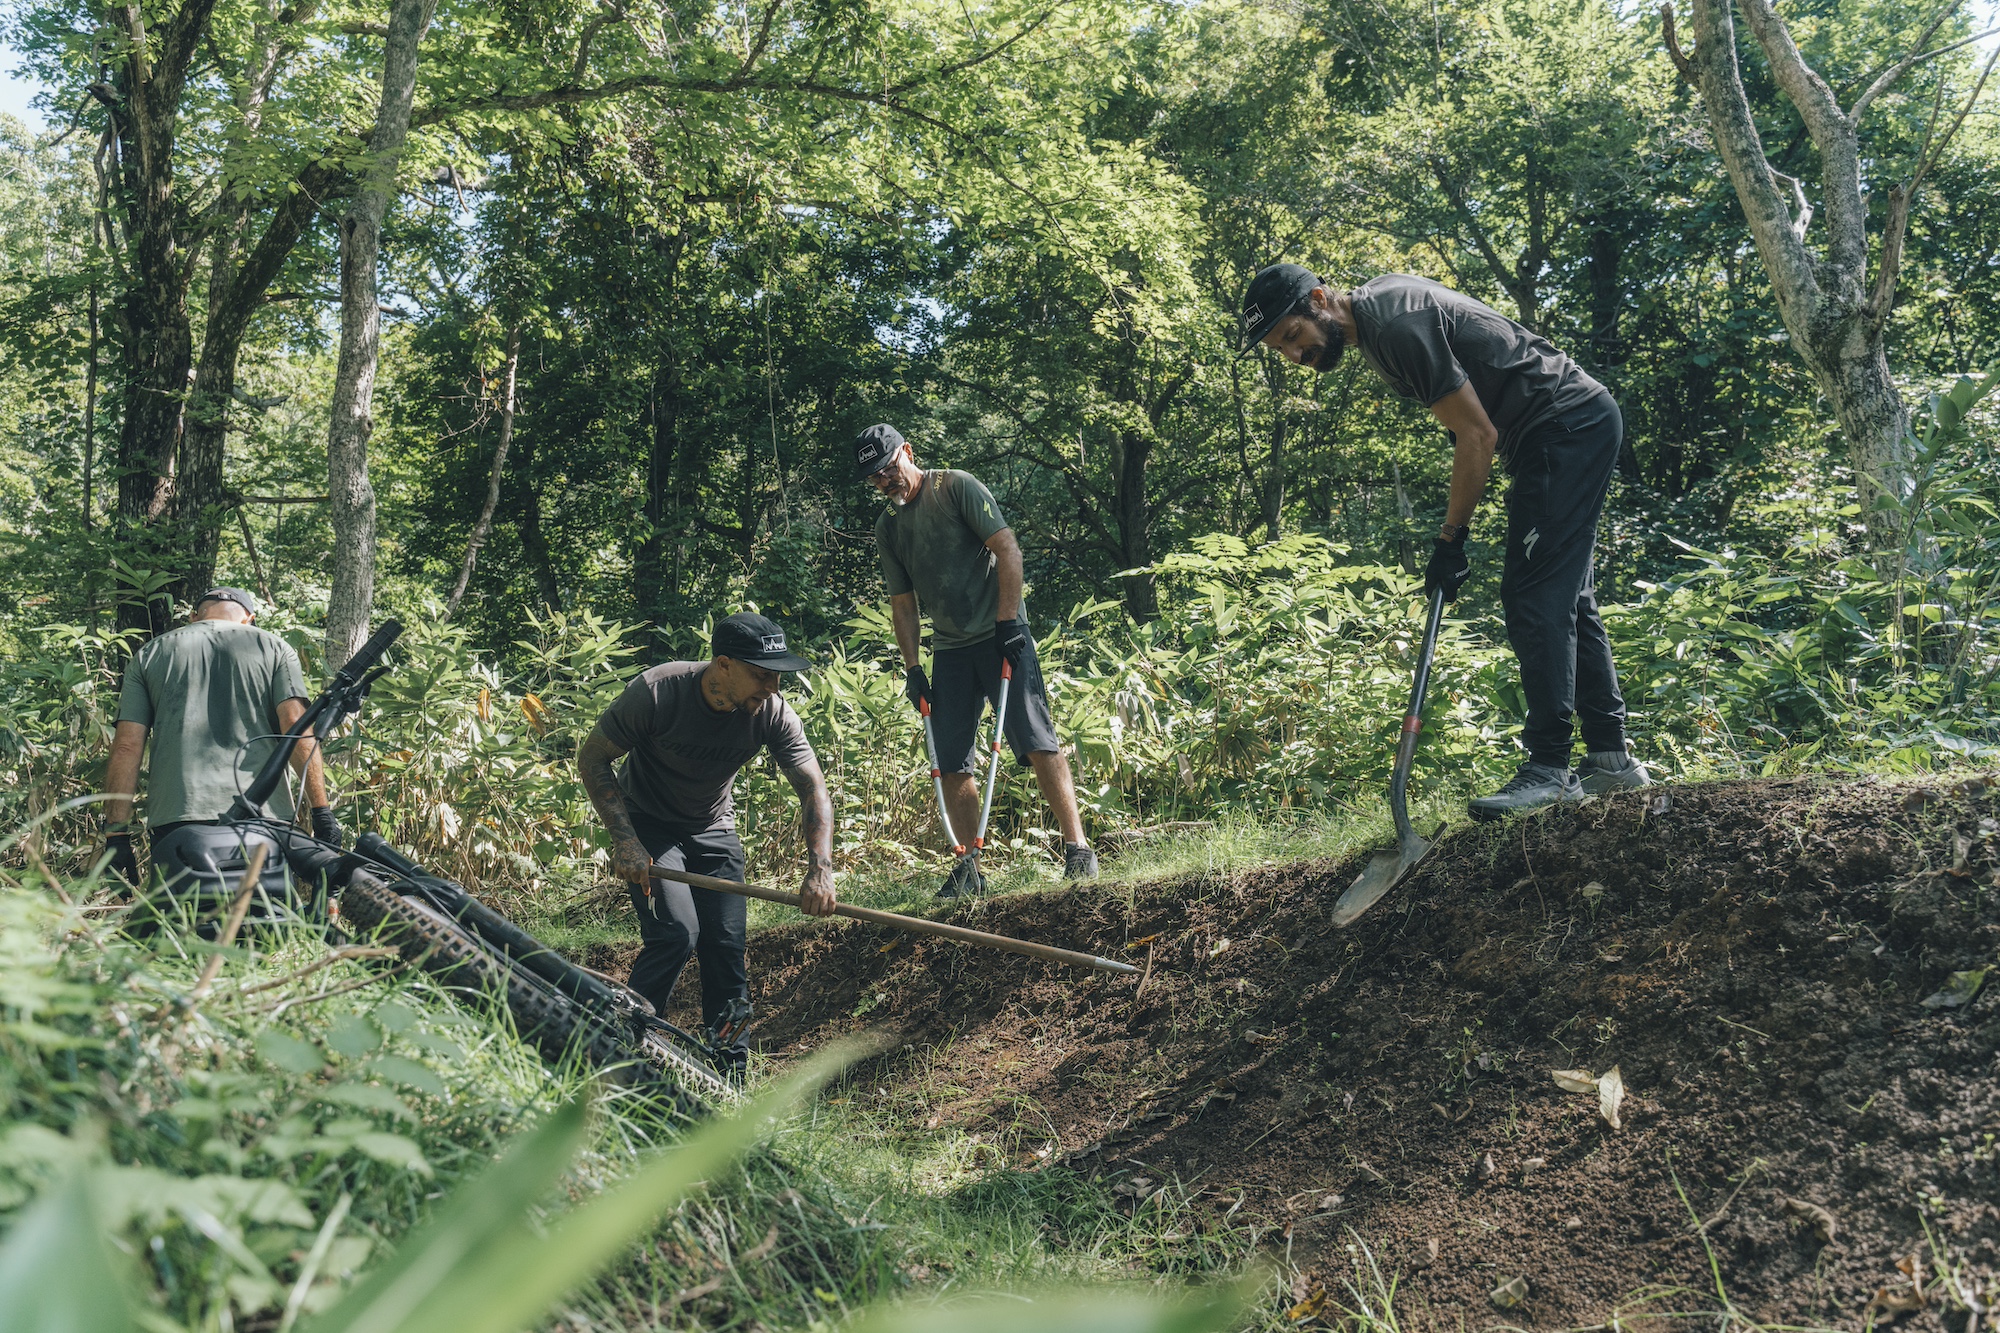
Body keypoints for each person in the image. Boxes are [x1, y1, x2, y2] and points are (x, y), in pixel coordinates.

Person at [1239, 264, 1651, 819]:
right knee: (1566, 596)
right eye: (1281, 349)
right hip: (1564, 426)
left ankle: (1550, 769)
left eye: (1294, 336)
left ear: (1320, 299)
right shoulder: (1379, 317)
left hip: (1565, 423)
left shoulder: (1396, 327)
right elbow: (1470, 426)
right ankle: (1610, 763)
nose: (1296, 355)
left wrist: (1451, 537)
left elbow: (1478, 433)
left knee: (1534, 595)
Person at [576, 612, 835, 1080]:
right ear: (723, 666)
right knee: (677, 934)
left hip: (713, 829)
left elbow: (811, 787)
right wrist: (625, 840)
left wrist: (821, 868)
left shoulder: (772, 712)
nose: (772, 687)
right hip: (648, 825)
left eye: (777, 677)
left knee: (725, 945)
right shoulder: (658, 691)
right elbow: (592, 758)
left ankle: (730, 1071)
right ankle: (615, 1047)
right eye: (761, 674)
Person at [853, 423, 1097, 896]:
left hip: (1001, 634)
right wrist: (912, 670)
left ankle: (1078, 849)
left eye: (889, 468)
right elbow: (903, 603)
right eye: (875, 479)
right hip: (949, 650)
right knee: (950, 759)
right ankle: (970, 870)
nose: (886, 482)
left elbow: (1008, 550)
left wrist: (1008, 623)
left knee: (1035, 737)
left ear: (907, 451)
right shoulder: (889, 528)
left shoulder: (955, 487)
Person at [101, 587, 341, 902]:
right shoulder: (274, 648)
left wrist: (116, 835)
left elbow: (126, 748)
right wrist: (321, 812)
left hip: (178, 820)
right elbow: (297, 729)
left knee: (179, 930)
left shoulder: (149, 654)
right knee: (267, 929)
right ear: (250, 619)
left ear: (193, 616)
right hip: (262, 819)